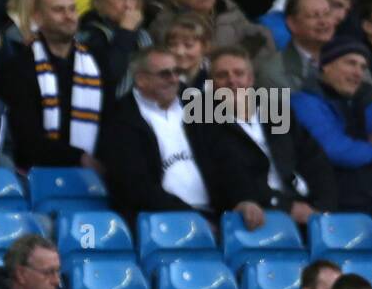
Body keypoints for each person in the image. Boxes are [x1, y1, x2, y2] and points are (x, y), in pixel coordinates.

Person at [97, 47, 256, 225]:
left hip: (215, 215)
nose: (174, 79)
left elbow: (229, 159)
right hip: (157, 221)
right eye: (165, 74)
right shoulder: (119, 119)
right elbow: (135, 187)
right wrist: (191, 217)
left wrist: (244, 198)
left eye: (177, 72)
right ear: (141, 80)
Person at [291, 36, 372, 224]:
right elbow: (334, 150)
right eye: (351, 63)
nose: (358, 72)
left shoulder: (367, 102)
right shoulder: (303, 102)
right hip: (335, 208)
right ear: (325, 65)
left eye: (362, 67)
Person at [208, 47, 337, 225]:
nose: (232, 80)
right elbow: (230, 176)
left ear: (251, 79)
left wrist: (321, 208)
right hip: (257, 213)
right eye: (222, 75)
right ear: (211, 84)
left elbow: (315, 161)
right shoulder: (207, 124)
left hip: (304, 207)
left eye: (239, 73)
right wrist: (284, 206)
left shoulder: (276, 113)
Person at [0, 0, 104, 172]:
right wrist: (78, 157)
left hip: (95, 171)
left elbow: (110, 120)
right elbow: (26, 138)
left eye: (72, 9)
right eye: (58, 10)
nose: (69, 16)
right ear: (38, 18)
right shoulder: (19, 68)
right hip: (40, 172)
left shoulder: (97, 62)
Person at [255, 0, 336, 94]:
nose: (323, 22)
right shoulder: (273, 75)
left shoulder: (348, 58)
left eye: (327, 14)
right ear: (292, 23)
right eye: (314, 15)